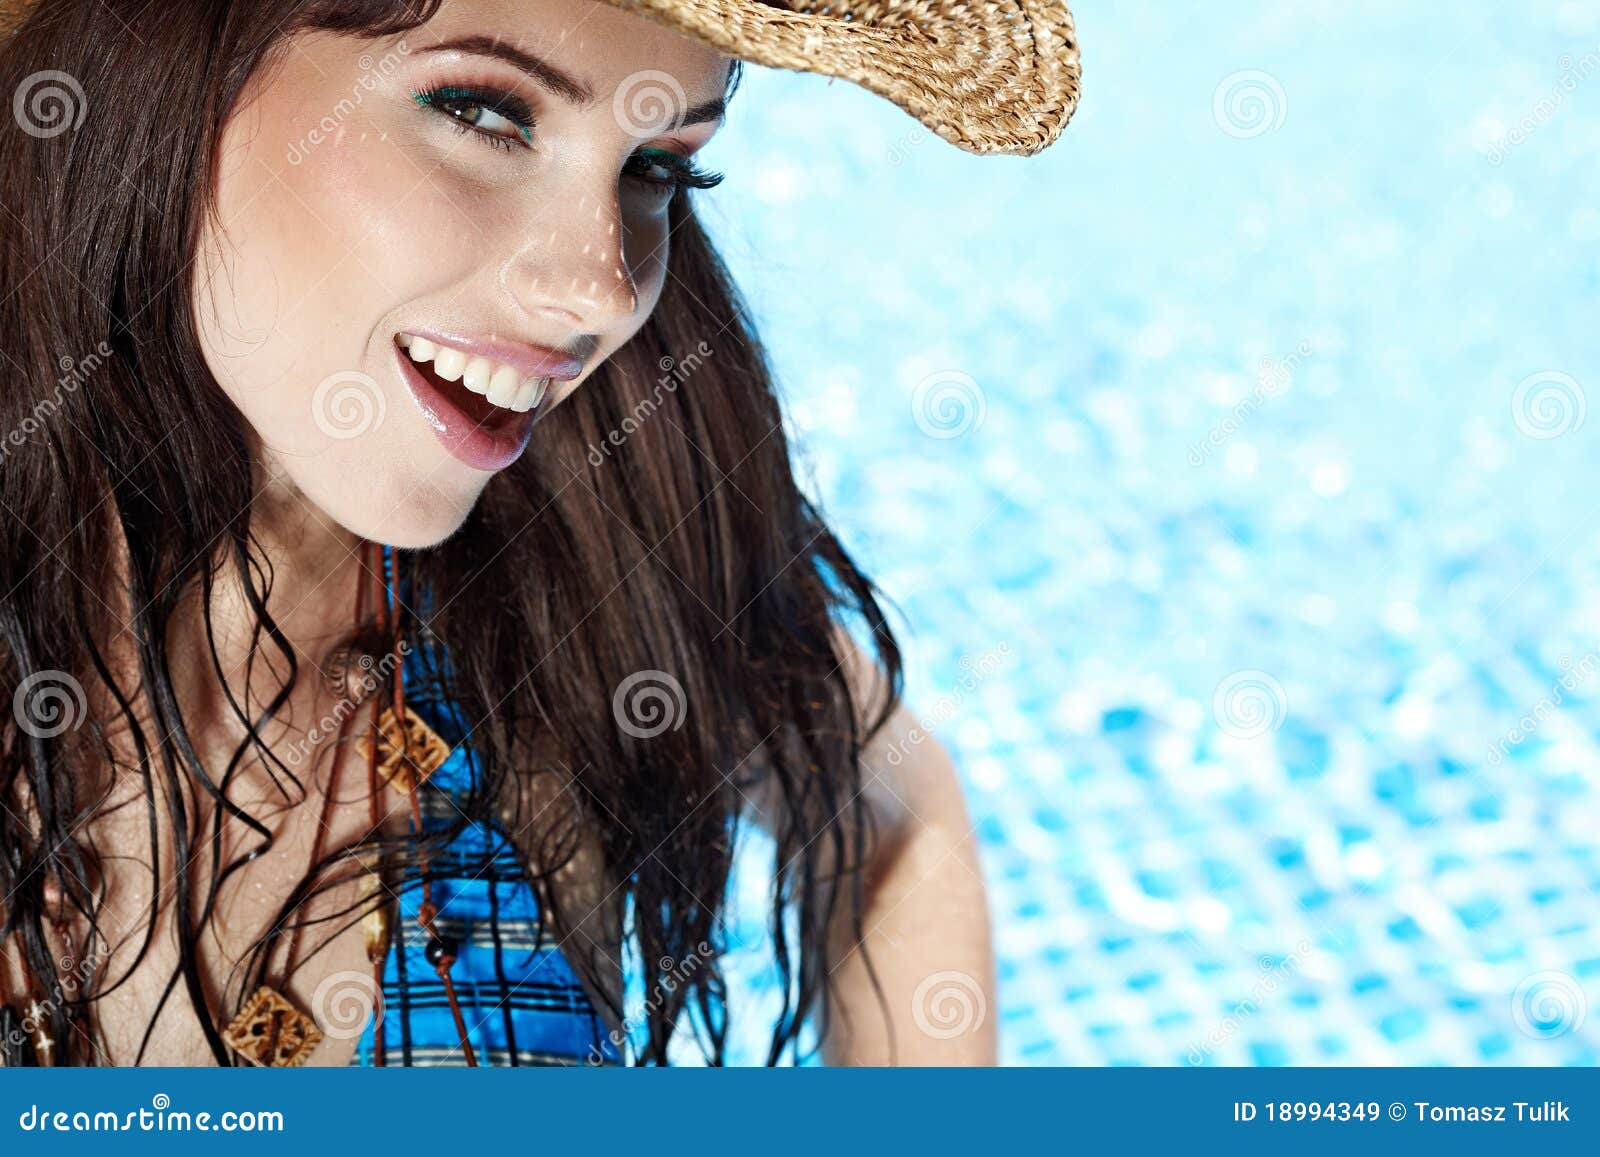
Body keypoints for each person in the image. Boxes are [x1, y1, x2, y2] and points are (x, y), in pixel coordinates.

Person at [0, 0, 1080, 1066]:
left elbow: (891, 797)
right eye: (481, 111)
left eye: (657, 166)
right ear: (160, 57)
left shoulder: (590, 560)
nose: (597, 291)